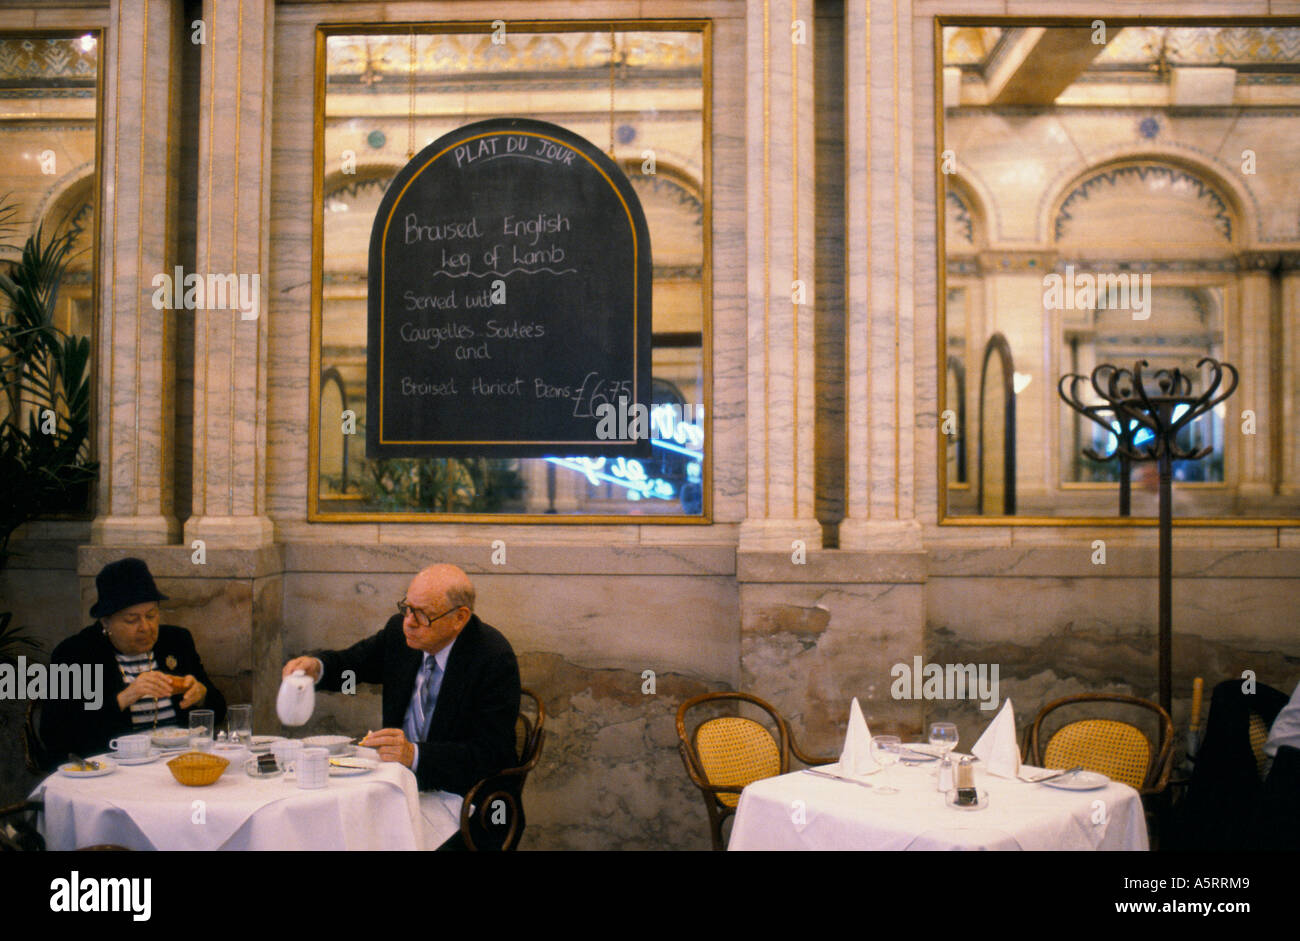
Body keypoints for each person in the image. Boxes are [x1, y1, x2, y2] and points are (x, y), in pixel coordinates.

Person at [282, 563, 520, 797]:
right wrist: (316, 668)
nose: (409, 622)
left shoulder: (493, 658)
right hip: (394, 783)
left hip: (460, 796)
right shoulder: (399, 634)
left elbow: (490, 754)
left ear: (459, 617)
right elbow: (353, 668)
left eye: (423, 614)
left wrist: (413, 755)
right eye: (407, 607)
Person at [41, 557, 226, 762]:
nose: (145, 627)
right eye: (132, 619)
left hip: (178, 760)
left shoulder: (176, 641)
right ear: (106, 621)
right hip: (111, 766)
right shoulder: (76, 653)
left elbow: (218, 710)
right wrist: (125, 698)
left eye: (151, 615)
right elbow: (55, 735)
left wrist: (201, 695)